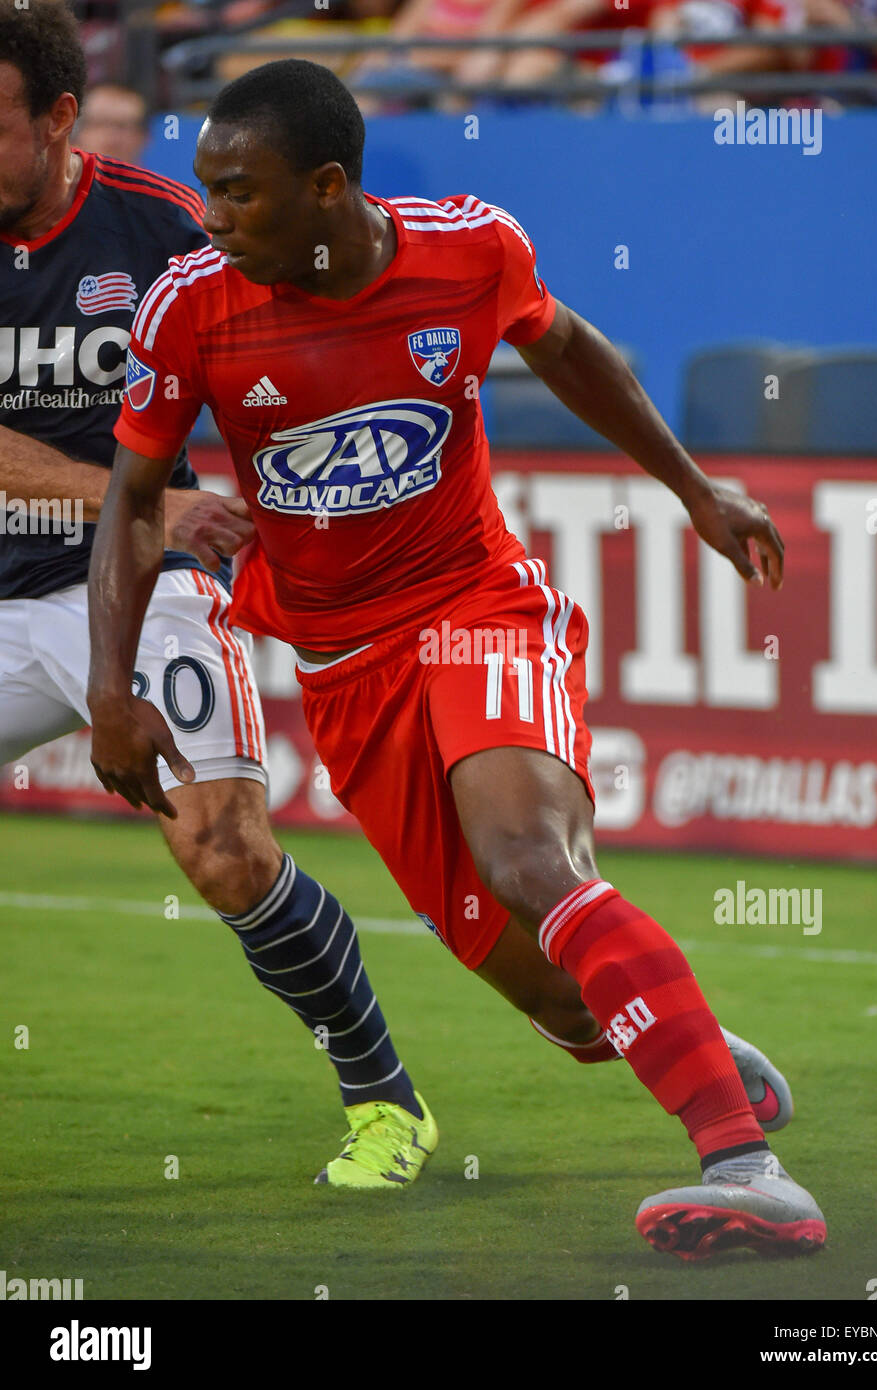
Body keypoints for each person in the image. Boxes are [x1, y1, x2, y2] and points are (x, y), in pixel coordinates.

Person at [88, 57, 827, 1260]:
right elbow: (131, 502)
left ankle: (748, 1168)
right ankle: (688, 1037)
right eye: (204, 190)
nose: (211, 219)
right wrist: (109, 687)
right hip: (340, 666)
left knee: (531, 856)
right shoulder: (191, 305)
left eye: (239, 194)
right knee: (557, 998)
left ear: (328, 187)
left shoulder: (470, 248)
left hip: (476, 606)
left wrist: (694, 488)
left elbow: (571, 346)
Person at [0, 0, 437, 1188]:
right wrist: (146, 496)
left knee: (228, 852)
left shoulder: (162, 230)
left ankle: (386, 1103)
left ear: (59, 119)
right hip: (19, 593)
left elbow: (300, 342)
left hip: (144, 586)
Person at [73, 82, 150, 165]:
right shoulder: (60, 176)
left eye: (122, 126)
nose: (111, 138)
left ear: (143, 137)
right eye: (100, 123)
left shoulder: (159, 177)